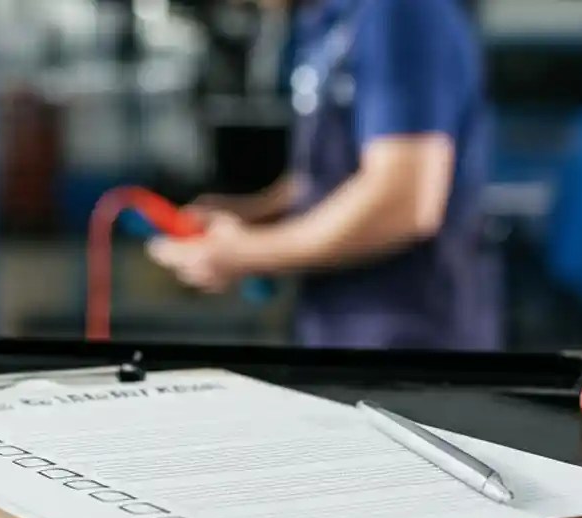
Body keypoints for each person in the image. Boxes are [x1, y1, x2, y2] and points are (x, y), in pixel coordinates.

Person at [149, 0, 499, 350]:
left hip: (409, 340)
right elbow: (328, 177)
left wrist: (243, 252)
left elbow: (404, 200)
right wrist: (254, 214)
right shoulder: (326, 22)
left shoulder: (401, 11)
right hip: (337, 327)